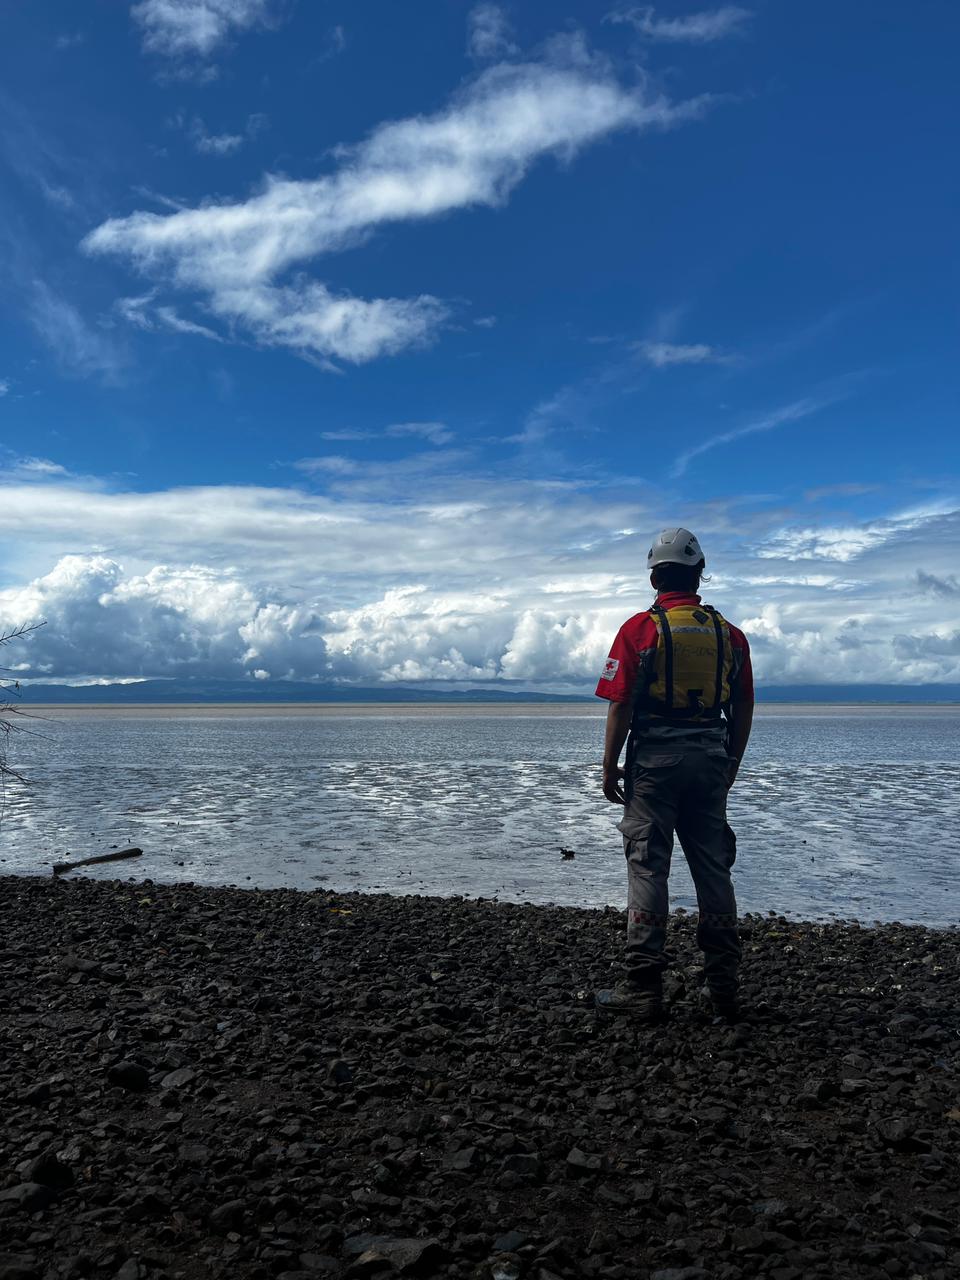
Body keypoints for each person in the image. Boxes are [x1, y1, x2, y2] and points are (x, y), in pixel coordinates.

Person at [594, 527, 754, 1023]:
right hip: (710, 761)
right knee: (713, 866)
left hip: (653, 766)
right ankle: (723, 986)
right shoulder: (729, 635)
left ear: (653, 577)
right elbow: (744, 705)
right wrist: (731, 763)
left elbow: (620, 704)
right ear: (699, 572)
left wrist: (608, 766)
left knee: (647, 865)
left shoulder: (638, 629)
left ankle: (644, 987)